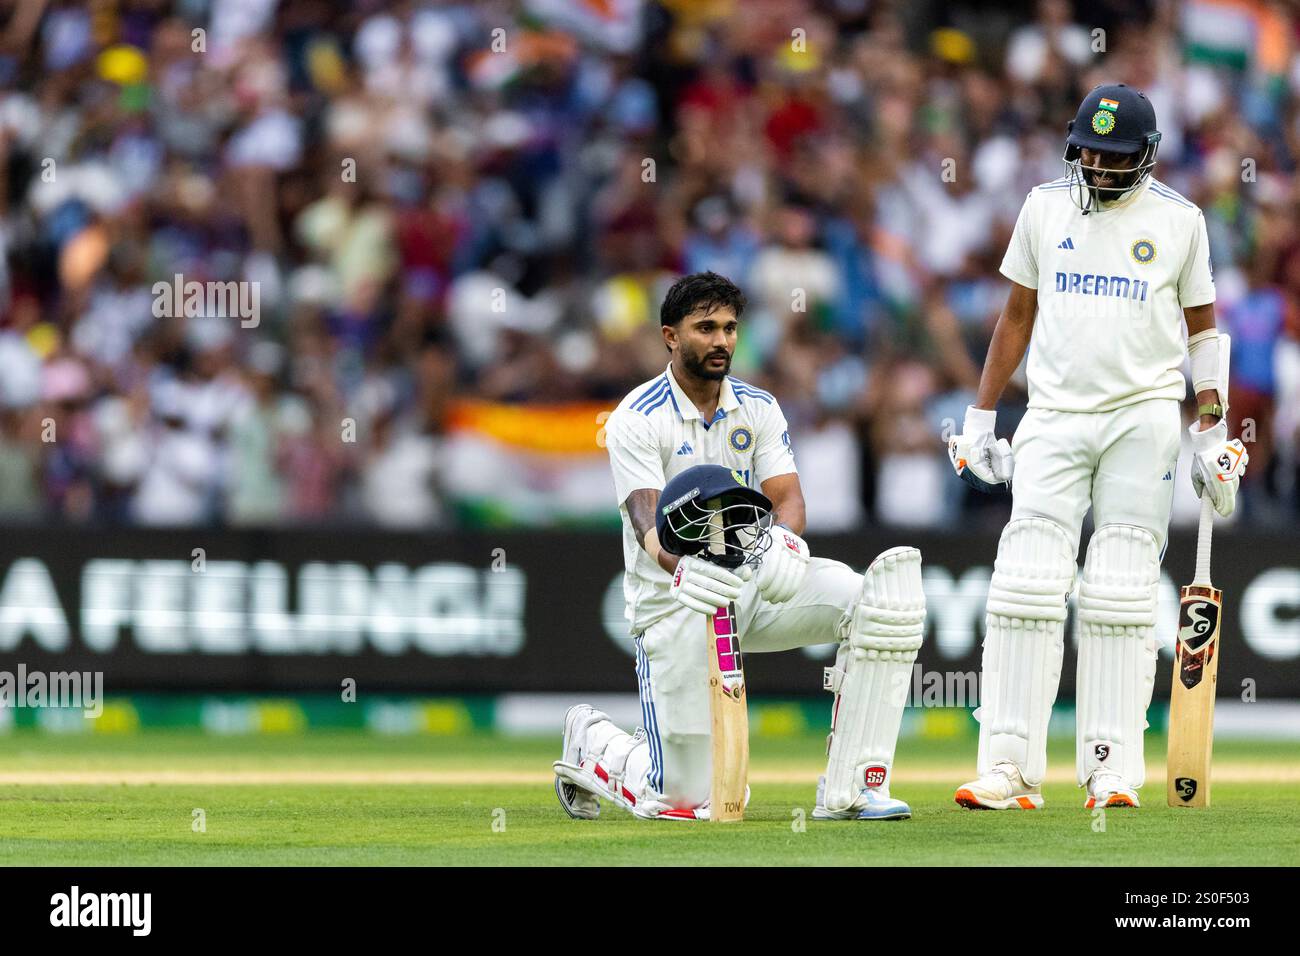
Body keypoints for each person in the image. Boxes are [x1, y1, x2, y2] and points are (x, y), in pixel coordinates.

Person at [947, 84, 1248, 810]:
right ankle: (1010, 767)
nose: (1099, 167)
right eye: (1090, 151)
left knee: (1121, 587)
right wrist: (983, 414)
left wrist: (1211, 427)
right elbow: (1016, 315)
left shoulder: (1180, 221)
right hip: (1051, 414)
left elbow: (1204, 332)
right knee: (1024, 582)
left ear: (1145, 157)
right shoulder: (1045, 206)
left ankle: (1111, 766)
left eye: (1115, 158)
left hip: (1141, 418)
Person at [553, 271, 927, 820]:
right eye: (705, 328)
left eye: (729, 328)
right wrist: (678, 567)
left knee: (876, 604)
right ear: (670, 336)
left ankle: (852, 787)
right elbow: (644, 516)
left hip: (748, 588)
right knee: (685, 799)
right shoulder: (637, 415)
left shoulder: (758, 407)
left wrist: (774, 546)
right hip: (675, 603)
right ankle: (594, 740)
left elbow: (789, 501)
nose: (721, 340)